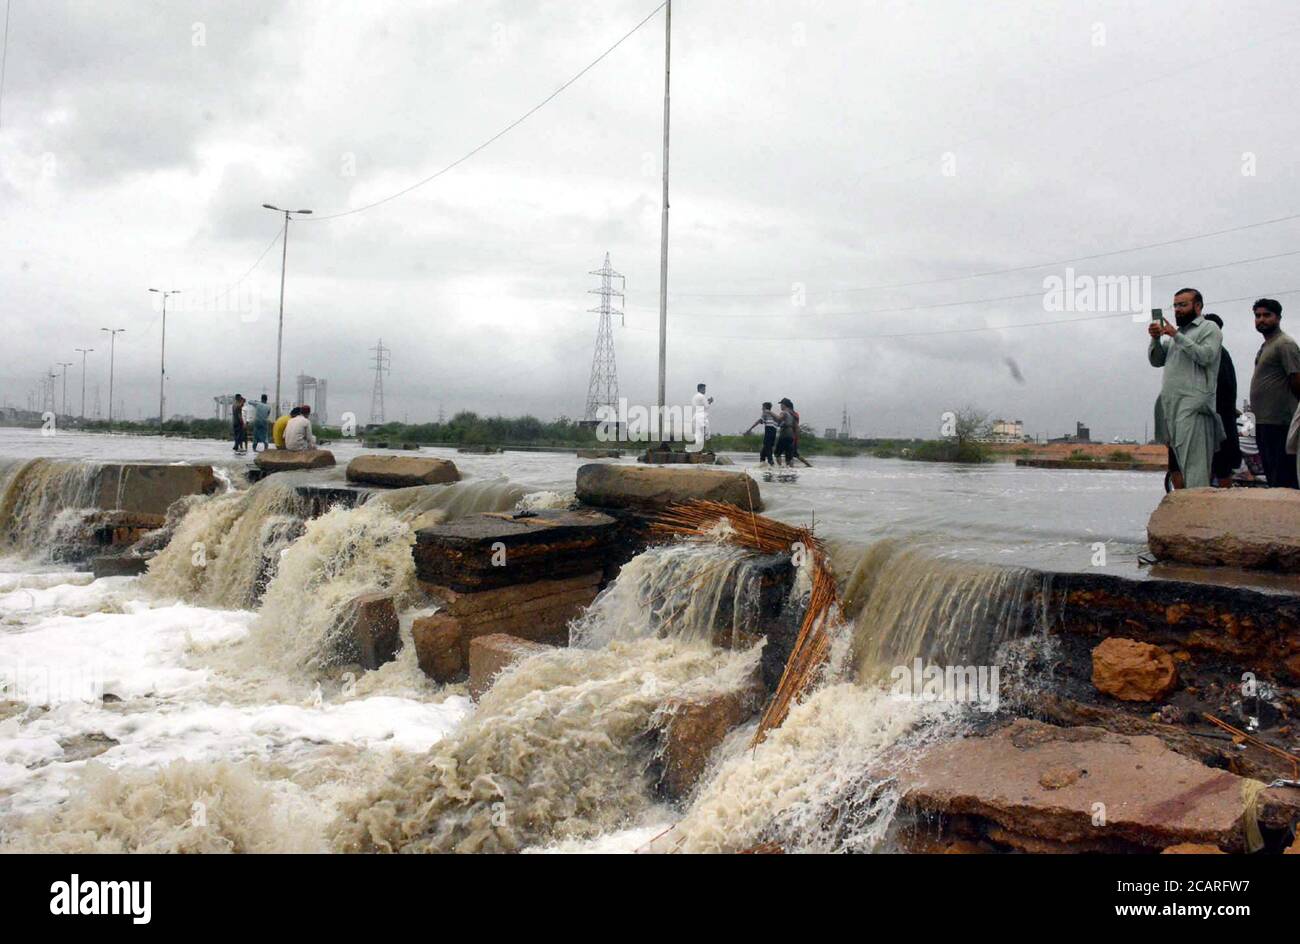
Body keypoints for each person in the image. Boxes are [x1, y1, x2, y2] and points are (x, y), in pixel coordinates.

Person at [1148, 288, 1223, 489]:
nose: (1178, 310)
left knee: (1196, 466)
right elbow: (1157, 361)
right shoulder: (1177, 335)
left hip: (1194, 406)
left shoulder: (1209, 328)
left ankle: (1199, 512)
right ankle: (1191, 511)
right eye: (1175, 305)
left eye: (1183, 305)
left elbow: (1206, 356)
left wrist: (1175, 335)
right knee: (1182, 464)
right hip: (1173, 407)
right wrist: (1155, 339)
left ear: (1198, 306)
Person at [1248, 298, 1300, 488]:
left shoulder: (1285, 344)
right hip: (1263, 422)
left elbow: (1296, 379)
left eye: (1266, 315)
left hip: (1280, 422)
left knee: (1284, 477)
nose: (1261, 319)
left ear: (1278, 318)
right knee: (1272, 476)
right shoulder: (1266, 345)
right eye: (1257, 316)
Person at [1203, 314, 1241, 486]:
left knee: (1221, 466)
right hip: (1222, 419)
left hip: (1219, 420)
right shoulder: (1220, 353)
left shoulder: (1215, 355)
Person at [745, 401, 779, 466]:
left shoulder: (765, 412)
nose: (762, 409)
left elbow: (759, 421)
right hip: (774, 433)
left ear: (765, 407)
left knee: (768, 449)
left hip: (769, 431)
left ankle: (771, 464)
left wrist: (750, 429)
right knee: (763, 452)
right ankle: (762, 466)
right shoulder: (773, 415)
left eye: (762, 407)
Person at [774, 397, 798, 466]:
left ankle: (780, 468)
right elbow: (797, 428)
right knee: (789, 457)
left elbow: (778, 418)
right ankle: (790, 470)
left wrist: (770, 412)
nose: (780, 406)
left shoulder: (784, 412)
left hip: (784, 434)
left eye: (781, 404)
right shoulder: (793, 414)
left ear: (785, 405)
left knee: (777, 453)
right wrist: (795, 439)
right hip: (791, 436)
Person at [691, 383, 713, 447]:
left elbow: (700, 405)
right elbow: (706, 406)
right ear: (700, 389)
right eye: (704, 389)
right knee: (707, 434)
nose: (705, 390)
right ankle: (709, 450)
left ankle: (697, 451)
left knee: (698, 435)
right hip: (702, 417)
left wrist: (707, 401)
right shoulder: (702, 396)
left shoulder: (694, 397)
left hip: (695, 416)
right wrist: (710, 401)